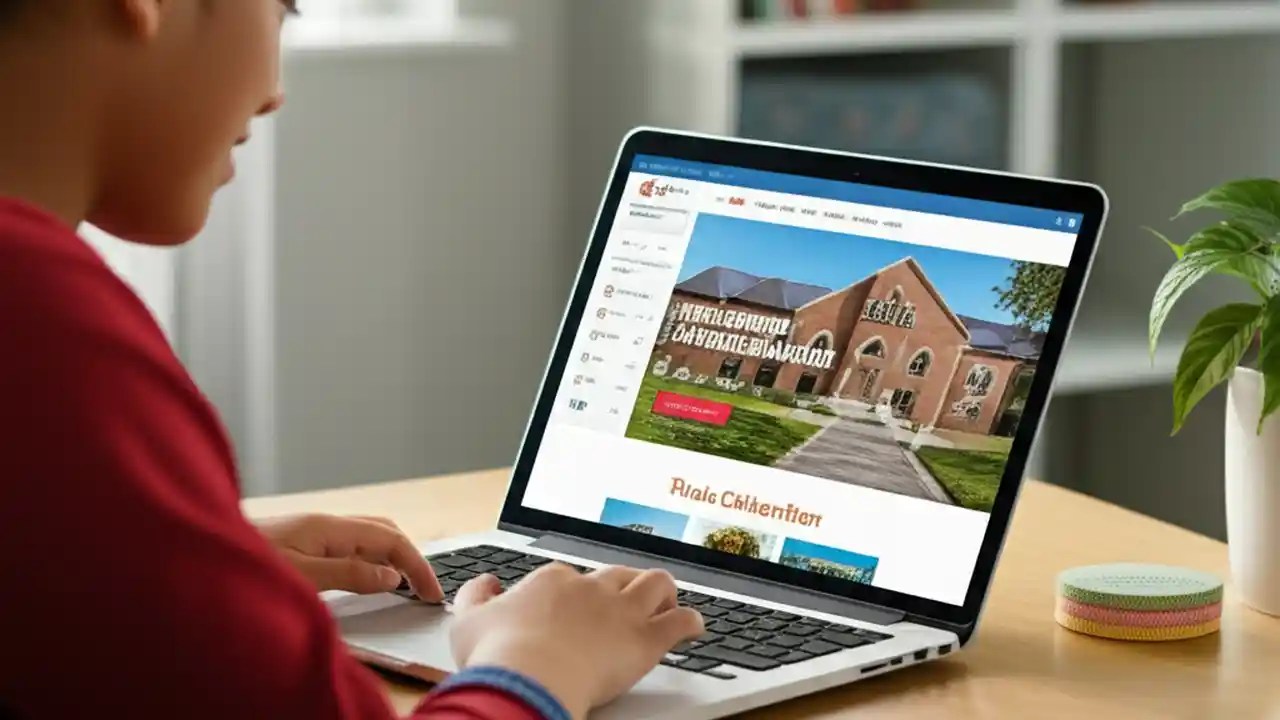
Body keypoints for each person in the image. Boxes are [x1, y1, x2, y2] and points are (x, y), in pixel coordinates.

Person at [0, 2, 703, 719]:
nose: (275, 93)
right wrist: (538, 667)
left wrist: (173, 574)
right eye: (283, 7)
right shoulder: (39, 319)